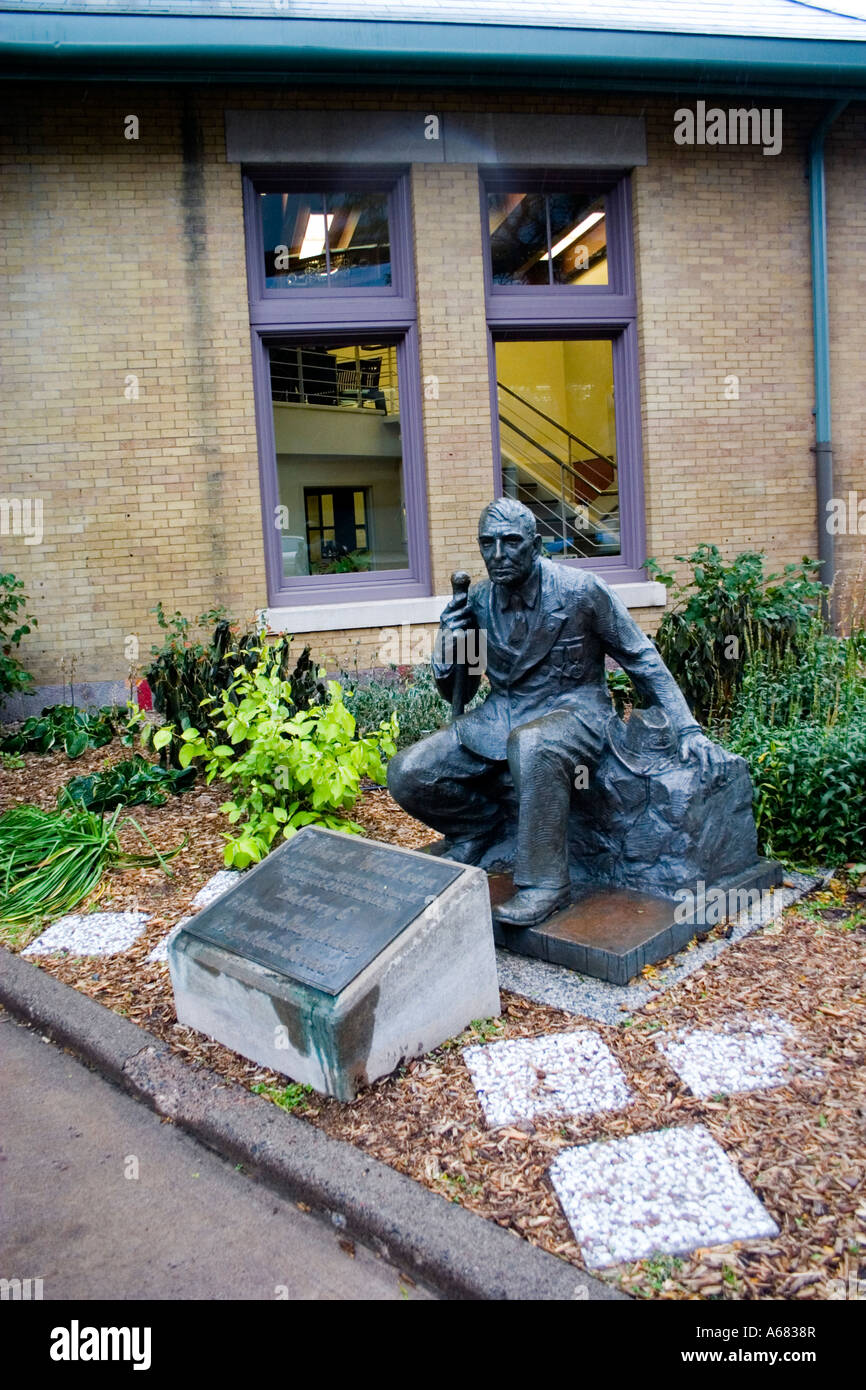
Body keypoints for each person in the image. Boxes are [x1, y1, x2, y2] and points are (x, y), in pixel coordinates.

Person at [387, 497, 725, 928]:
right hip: (501, 715)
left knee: (532, 744)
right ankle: (479, 830)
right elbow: (461, 689)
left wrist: (689, 730)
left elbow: (642, 659)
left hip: (577, 711)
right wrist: (450, 644)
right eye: (487, 544)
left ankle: (546, 883)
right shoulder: (479, 599)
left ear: (536, 544)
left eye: (510, 543)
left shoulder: (582, 592)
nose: (498, 555)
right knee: (407, 771)